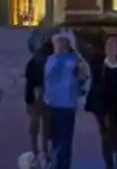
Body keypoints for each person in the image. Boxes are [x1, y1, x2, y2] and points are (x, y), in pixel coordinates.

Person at [45, 31, 88, 169]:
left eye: (61, 42)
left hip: (67, 105)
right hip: (52, 104)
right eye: (57, 42)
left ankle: (63, 165)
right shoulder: (51, 59)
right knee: (55, 138)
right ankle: (55, 163)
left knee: (64, 139)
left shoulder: (75, 60)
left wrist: (80, 83)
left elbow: (83, 78)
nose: (58, 44)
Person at [87, 33, 117, 169]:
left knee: (115, 130)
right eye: (108, 45)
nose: (110, 48)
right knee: (106, 132)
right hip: (102, 105)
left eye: (113, 45)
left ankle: (114, 154)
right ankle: (109, 162)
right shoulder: (99, 67)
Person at [25, 36, 53, 164]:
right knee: (46, 126)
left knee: (34, 126)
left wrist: (28, 100)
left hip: (36, 93)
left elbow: (29, 81)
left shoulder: (33, 60)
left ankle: (35, 152)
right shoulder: (52, 59)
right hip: (47, 93)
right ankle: (45, 152)